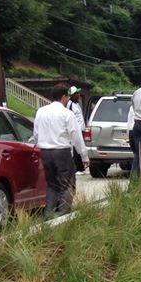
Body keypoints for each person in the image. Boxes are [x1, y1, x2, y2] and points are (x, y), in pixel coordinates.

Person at [33, 85, 88, 217]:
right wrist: (84, 156)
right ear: (64, 97)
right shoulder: (66, 114)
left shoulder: (41, 111)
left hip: (45, 152)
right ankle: (64, 215)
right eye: (67, 97)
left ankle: (49, 214)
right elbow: (76, 136)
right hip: (61, 151)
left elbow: (36, 134)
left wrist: (39, 144)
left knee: (52, 184)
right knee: (67, 184)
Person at [66, 86, 87, 178]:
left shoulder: (76, 104)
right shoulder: (70, 105)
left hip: (81, 130)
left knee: (80, 147)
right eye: (77, 93)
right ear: (72, 95)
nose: (79, 95)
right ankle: (78, 168)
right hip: (76, 130)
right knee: (76, 148)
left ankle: (81, 167)